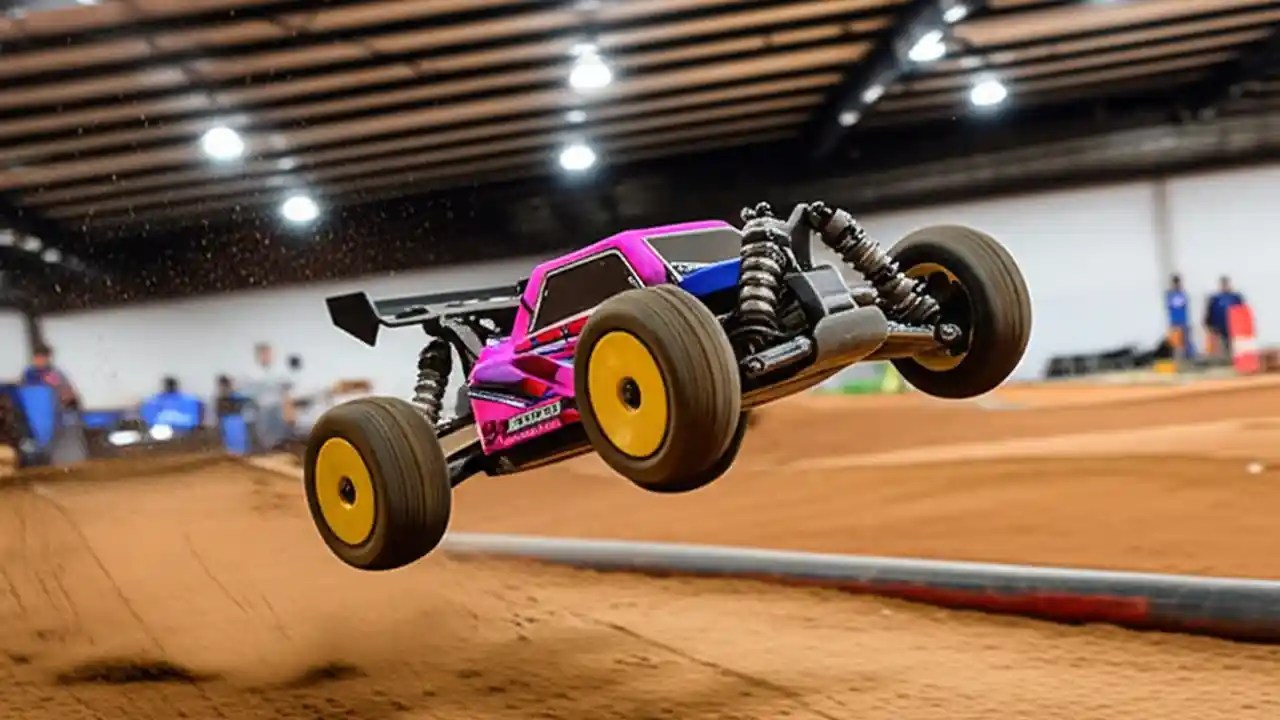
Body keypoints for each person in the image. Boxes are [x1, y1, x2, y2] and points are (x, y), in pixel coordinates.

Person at [241, 343, 293, 451]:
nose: (268, 356)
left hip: (277, 408)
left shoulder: (278, 371)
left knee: (279, 434)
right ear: (259, 355)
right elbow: (246, 392)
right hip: (260, 409)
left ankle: (278, 449)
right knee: (264, 437)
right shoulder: (251, 373)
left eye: (269, 354)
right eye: (265, 354)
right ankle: (266, 450)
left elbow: (287, 388)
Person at [21, 344, 80, 410]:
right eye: (37, 357)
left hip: (53, 408)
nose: (40, 360)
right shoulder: (29, 373)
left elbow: (68, 393)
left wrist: (64, 394)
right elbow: (23, 390)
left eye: (43, 358)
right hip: (32, 408)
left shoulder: (54, 373)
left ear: (48, 358)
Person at [1204, 275, 1246, 358]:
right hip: (1219, 327)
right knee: (1220, 348)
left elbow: (1242, 311)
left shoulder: (1235, 297)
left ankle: (1233, 359)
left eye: (1226, 284)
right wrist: (1208, 324)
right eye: (1223, 284)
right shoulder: (1215, 298)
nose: (1225, 286)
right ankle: (1223, 359)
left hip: (1233, 327)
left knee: (1233, 347)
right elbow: (1209, 312)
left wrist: (1242, 325)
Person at [1163, 274, 1195, 360]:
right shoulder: (1170, 295)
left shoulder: (1183, 294)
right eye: (1175, 283)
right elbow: (1171, 306)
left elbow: (1184, 305)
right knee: (1176, 344)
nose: (1177, 285)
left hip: (1184, 321)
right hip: (1174, 322)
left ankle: (1188, 357)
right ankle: (1177, 358)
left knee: (1186, 342)